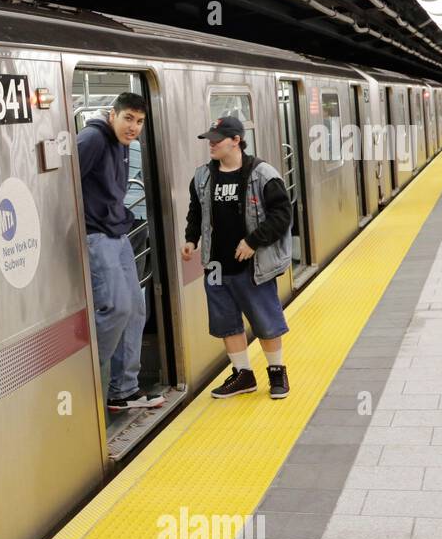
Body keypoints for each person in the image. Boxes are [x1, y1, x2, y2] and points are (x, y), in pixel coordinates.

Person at [182, 115, 293, 400]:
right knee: (227, 323)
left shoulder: (263, 174)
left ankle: (277, 372)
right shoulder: (203, 176)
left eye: (217, 140)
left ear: (236, 140)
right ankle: (243, 375)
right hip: (216, 265)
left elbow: (282, 215)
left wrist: (253, 242)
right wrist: (190, 240)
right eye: (210, 140)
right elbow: (196, 212)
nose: (212, 145)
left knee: (265, 320)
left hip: (253, 264)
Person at [78, 92, 166, 412]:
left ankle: (123, 390)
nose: (134, 127)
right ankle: (81, 379)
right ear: (112, 114)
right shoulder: (92, 139)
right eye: (128, 118)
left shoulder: (123, 143)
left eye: (140, 122)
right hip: (96, 236)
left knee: (135, 309)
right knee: (115, 308)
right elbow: (63, 181)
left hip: (117, 233)